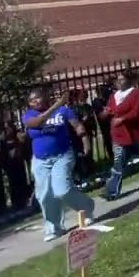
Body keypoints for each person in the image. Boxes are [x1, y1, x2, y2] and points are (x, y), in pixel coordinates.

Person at [22, 88, 96, 242]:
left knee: (62, 190)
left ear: (45, 96)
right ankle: (54, 228)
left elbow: (77, 125)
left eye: (38, 97)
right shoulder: (29, 115)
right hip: (40, 160)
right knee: (45, 194)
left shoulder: (63, 111)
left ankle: (86, 208)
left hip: (62, 155)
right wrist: (56, 105)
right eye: (32, 100)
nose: (35, 101)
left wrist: (85, 140)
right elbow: (37, 123)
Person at [99, 71, 139, 200]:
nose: (118, 82)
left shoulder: (138, 93)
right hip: (120, 136)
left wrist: (123, 118)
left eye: (122, 79)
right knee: (119, 162)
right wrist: (106, 113)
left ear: (129, 81)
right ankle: (111, 190)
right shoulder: (114, 96)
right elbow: (110, 110)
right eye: (117, 80)